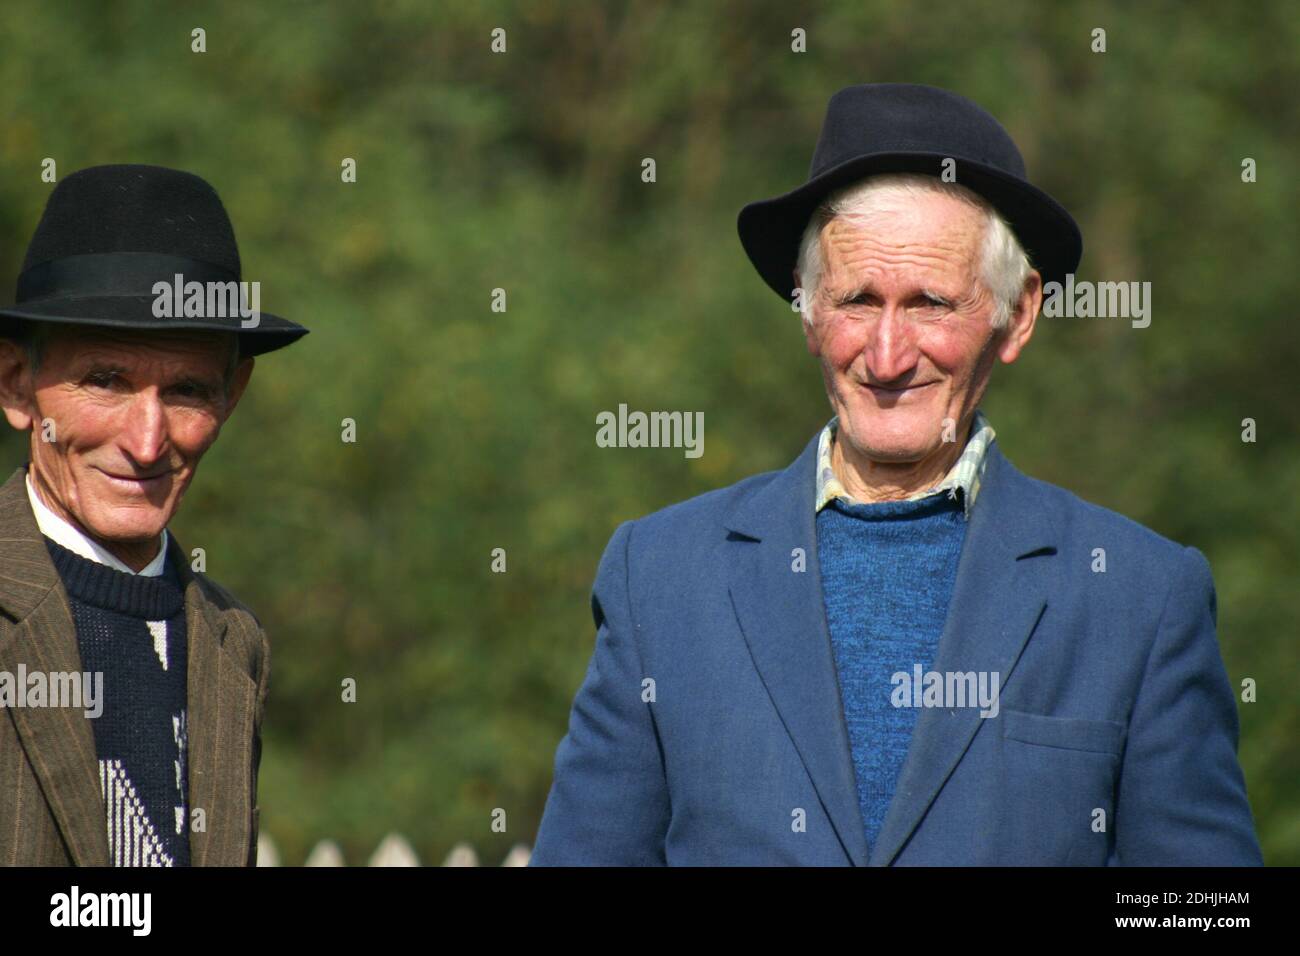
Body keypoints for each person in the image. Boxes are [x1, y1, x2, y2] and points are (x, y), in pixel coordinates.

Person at [531, 84, 1262, 865]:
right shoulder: (661, 579)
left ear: (1016, 317)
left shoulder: (1141, 597)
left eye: (929, 304)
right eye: (855, 301)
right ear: (808, 313)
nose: (885, 355)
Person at [0, 164, 307, 866]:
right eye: (106, 380)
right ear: (17, 385)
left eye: (188, 390)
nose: (146, 441)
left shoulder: (232, 642)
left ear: (232, 394)